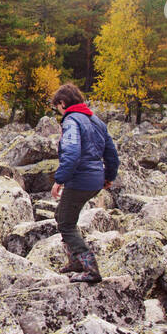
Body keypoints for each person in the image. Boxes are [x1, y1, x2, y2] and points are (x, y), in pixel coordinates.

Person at [49, 83, 120, 283]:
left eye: (57, 108)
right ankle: (75, 261)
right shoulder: (96, 120)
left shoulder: (71, 121)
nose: (58, 112)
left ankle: (90, 269)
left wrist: (59, 180)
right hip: (95, 179)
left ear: (63, 103)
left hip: (80, 180)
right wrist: (108, 177)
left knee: (66, 223)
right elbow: (112, 154)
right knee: (61, 215)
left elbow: (71, 153)